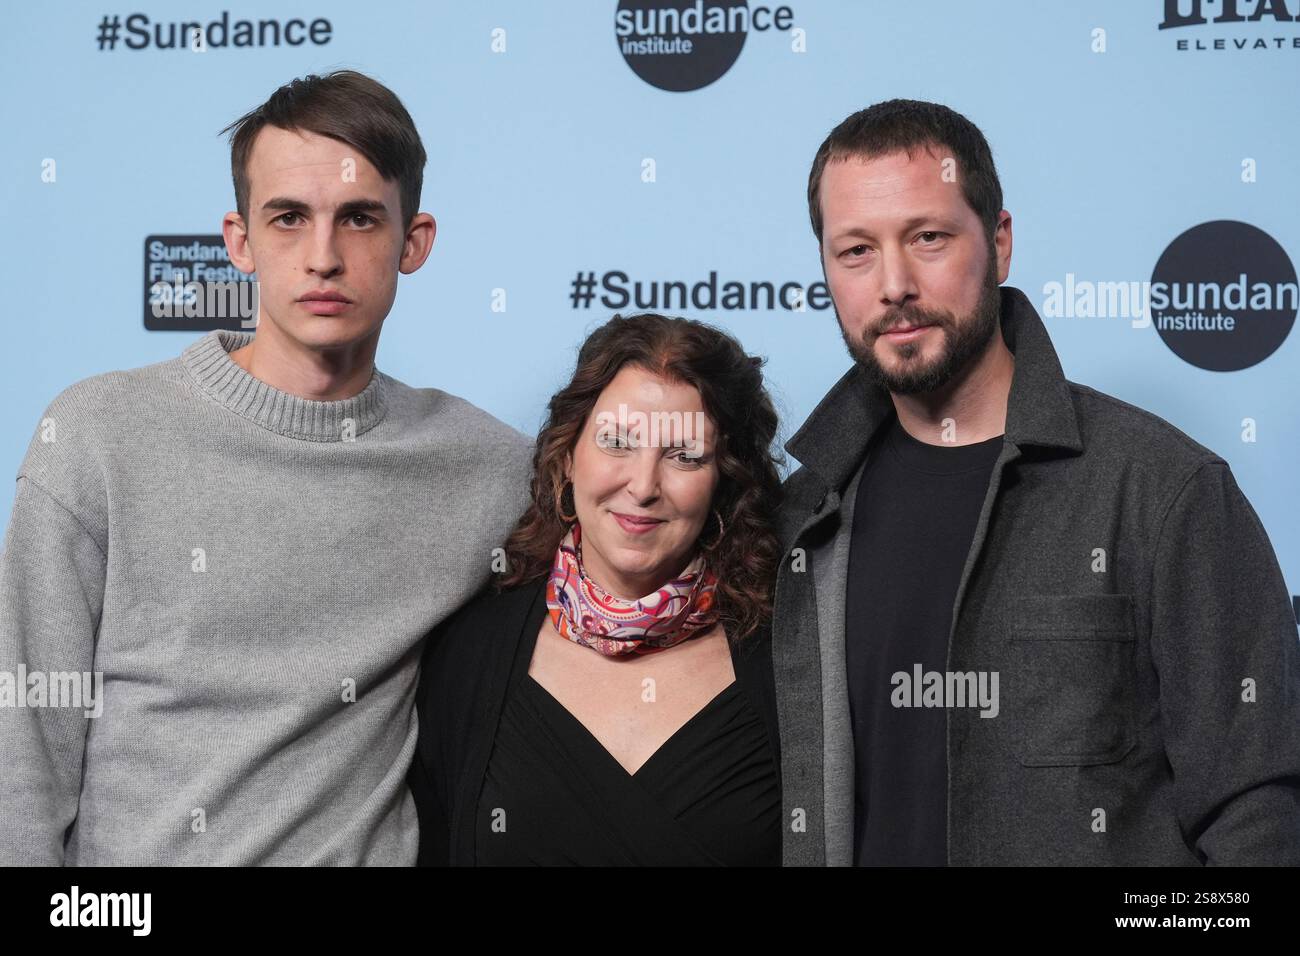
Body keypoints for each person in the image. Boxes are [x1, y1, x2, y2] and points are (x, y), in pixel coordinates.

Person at [0, 70, 532, 865]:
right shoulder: (98, 435)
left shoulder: (487, 468)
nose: (323, 257)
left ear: (412, 242)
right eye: (289, 218)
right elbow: (25, 747)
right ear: (239, 240)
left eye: (358, 219)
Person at [774, 99, 1300, 866]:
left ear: (1000, 242)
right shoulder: (806, 513)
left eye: (928, 238)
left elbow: (1261, 808)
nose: (893, 285)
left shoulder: (1162, 489)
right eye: (856, 251)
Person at [409, 313, 785, 865]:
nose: (642, 486)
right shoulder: (469, 650)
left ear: (724, 481)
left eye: (684, 455)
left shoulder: (789, 658)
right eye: (617, 443)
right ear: (568, 455)